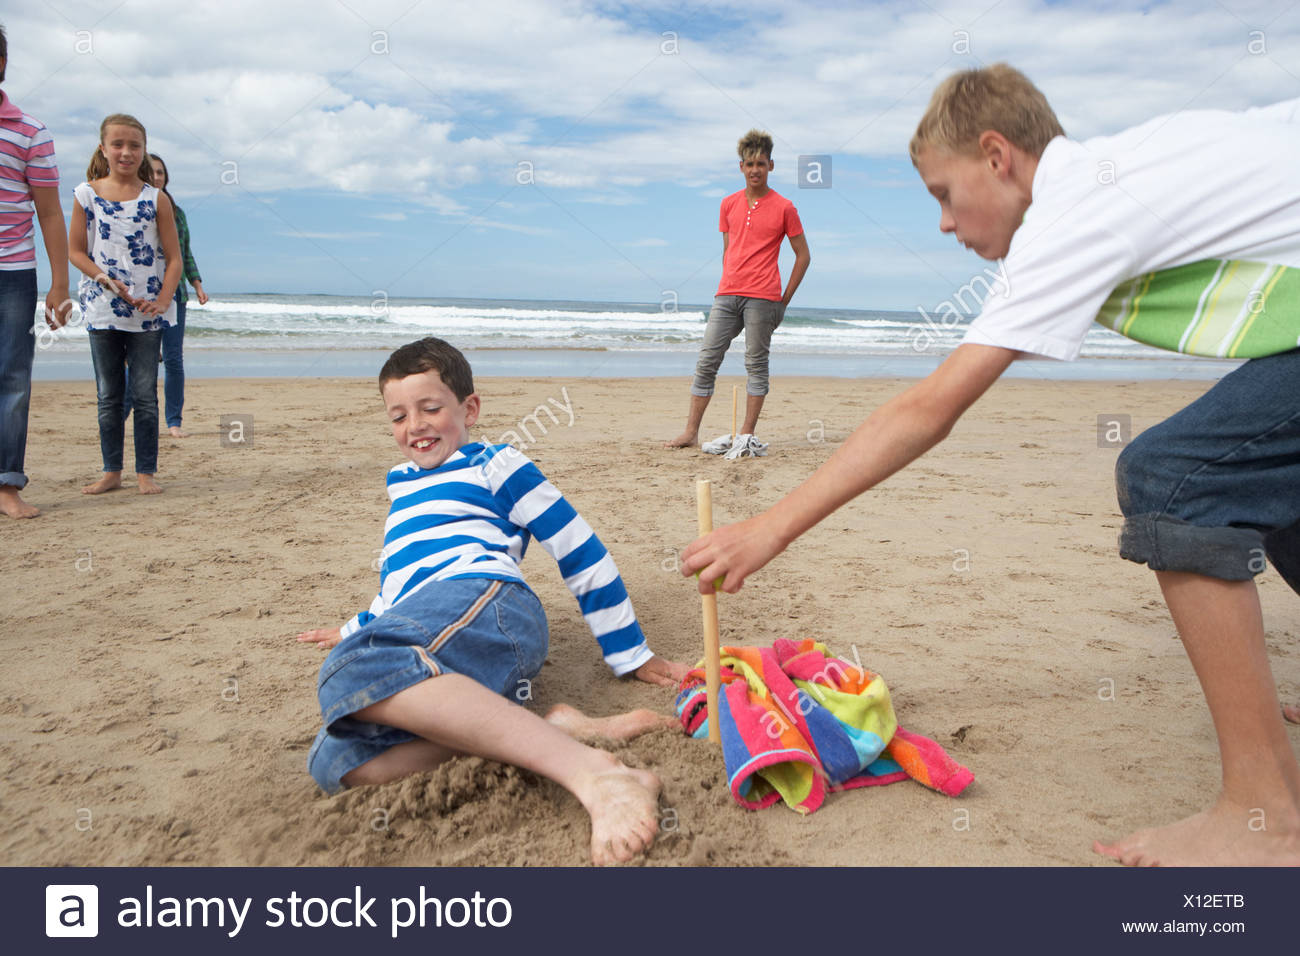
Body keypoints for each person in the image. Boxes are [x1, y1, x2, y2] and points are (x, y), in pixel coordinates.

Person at [681, 65, 1300, 866]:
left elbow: (929, 409)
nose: (943, 223)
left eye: (944, 192)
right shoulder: (1121, 173)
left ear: (997, 156)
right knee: (1270, 477)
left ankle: (1267, 815)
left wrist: (770, 527)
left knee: (1174, 480)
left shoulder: (1074, 212)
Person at [297, 337, 689, 865]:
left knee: (346, 674)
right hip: (429, 618)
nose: (415, 425)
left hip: (490, 603)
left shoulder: (494, 465)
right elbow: (402, 581)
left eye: (430, 407)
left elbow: (578, 548)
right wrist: (358, 627)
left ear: (470, 408)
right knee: (334, 759)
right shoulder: (401, 488)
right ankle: (549, 730)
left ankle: (594, 773)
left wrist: (631, 652)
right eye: (398, 416)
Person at [664, 129, 810, 457]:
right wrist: (727, 283)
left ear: (771, 165)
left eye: (760, 163)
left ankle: (746, 434)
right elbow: (729, 251)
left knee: (755, 364)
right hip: (727, 295)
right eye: (748, 163)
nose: (754, 169)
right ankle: (690, 431)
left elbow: (804, 255)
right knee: (706, 360)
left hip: (763, 298)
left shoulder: (785, 207)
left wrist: (783, 300)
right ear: (740, 167)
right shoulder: (727, 204)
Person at [68, 114, 181, 495]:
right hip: (102, 307)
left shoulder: (156, 198)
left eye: (134, 145)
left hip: (147, 312)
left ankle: (145, 473)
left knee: (146, 395)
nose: (126, 152)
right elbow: (75, 251)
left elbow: (174, 256)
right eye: (118, 144)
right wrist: (103, 278)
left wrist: (164, 299)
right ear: (104, 148)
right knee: (109, 395)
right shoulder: (86, 194)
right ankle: (111, 471)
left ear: (143, 151)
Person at [0, 24, 71, 519]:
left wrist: (60, 283)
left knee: (12, 377)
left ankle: (6, 485)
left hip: (13, 272)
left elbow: (49, 211)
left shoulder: (29, 130)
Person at [123, 153, 207, 438]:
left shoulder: (177, 212)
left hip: (176, 295)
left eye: (161, 173)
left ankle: (174, 421)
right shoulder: (134, 209)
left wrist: (196, 283)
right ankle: (120, 414)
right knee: (138, 360)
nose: (157, 177)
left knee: (173, 359)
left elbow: (184, 252)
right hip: (143, 295)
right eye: (152, 172)